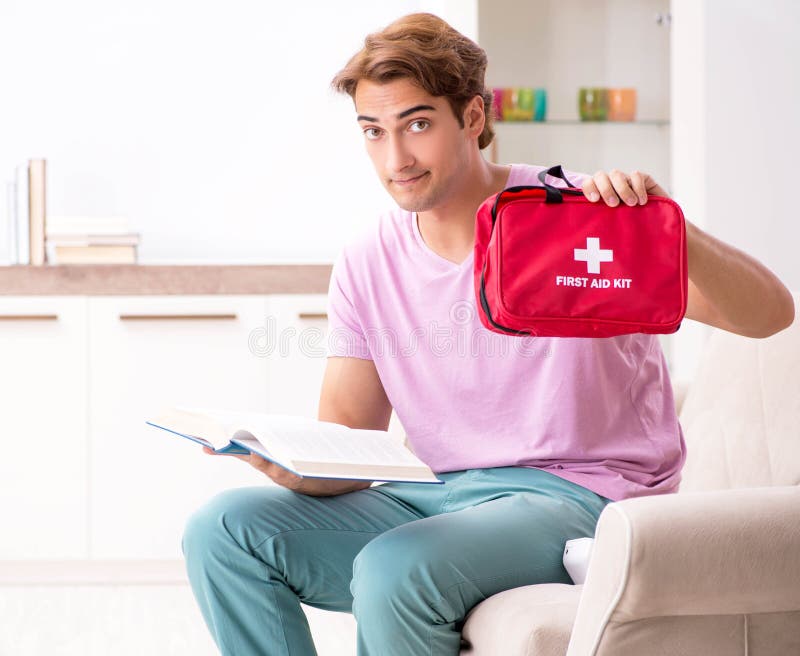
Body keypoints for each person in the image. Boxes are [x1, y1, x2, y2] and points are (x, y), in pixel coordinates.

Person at [182, 13, 795, 656]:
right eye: (374, 132)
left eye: (418, 124)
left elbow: (769, 315)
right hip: (438, 494)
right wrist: (292, 466)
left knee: (397, 568)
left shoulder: (579, 219)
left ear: (473, 116)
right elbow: (350, 442)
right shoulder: (368, 260)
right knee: (222, 529)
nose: (396, 159)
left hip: (580, 496)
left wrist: (664, 227)